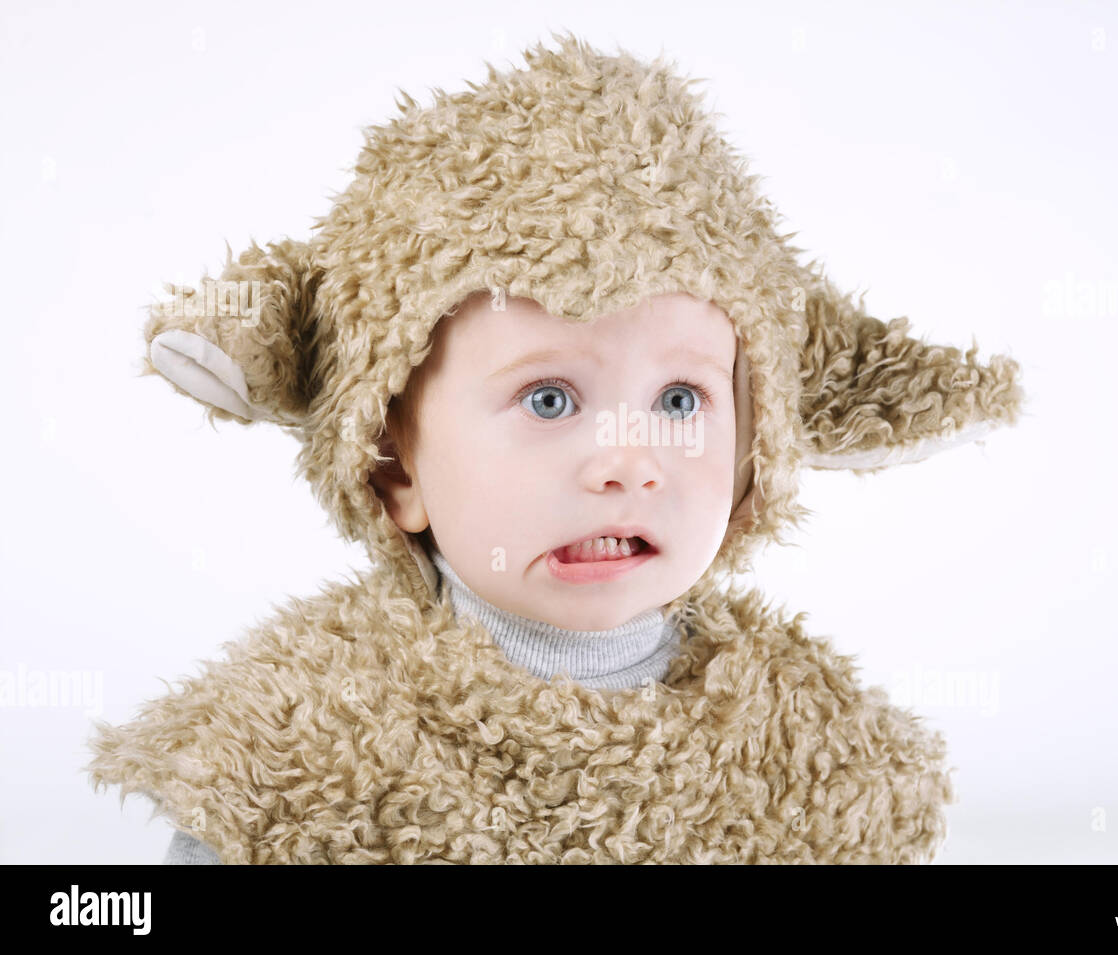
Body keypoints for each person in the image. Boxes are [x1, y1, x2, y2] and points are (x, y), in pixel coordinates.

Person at [87, 31, 1025, 865]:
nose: (626, 460)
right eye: (549, 399)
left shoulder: (809, 750)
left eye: (679, 399)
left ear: (756, 446)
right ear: (393, 466)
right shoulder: (312, 738)